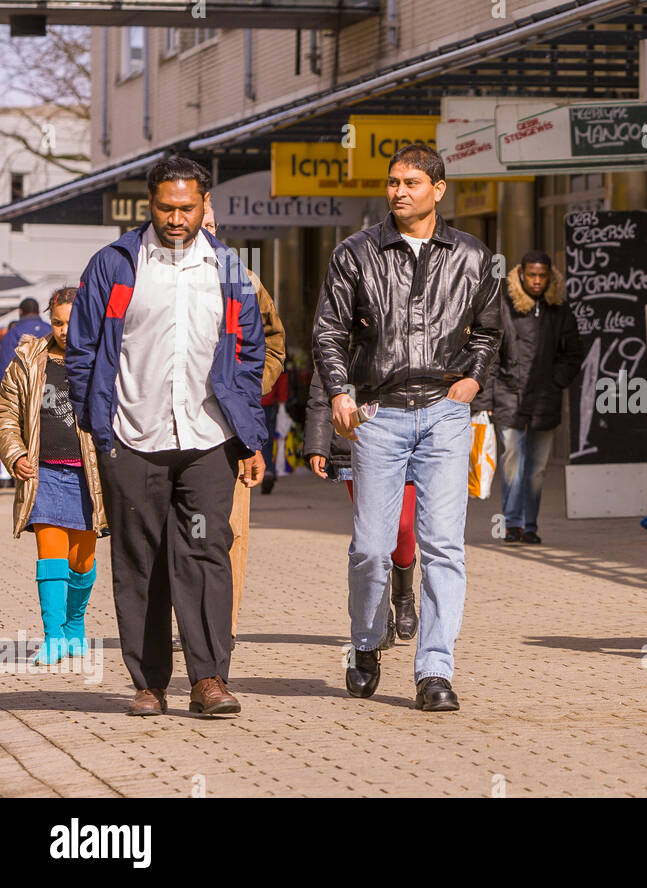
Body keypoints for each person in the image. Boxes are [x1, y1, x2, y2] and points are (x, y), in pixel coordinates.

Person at [67, 155, 267, 717]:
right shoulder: (114, 264)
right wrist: (95, 420)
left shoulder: (229, 266)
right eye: (165, 207)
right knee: (141, 558)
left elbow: (248, 353)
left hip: (207, 439)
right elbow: (82, 348)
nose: (176, 218)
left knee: (205, 550)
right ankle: (149, 682)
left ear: (205, 204)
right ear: (149, 204)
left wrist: (248, 435)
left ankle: (208, 680)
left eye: (187, 207)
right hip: (133, 436)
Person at [313, 143, 502, 712]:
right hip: (378, 414)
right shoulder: (356, 253)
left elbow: (489, 330)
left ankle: (435, 671)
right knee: (371, 548)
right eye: (393, 182)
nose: (399, 191)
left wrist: (471, 380)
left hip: (445, 413)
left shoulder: (474, 256)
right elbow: (328, 331)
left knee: (443, 547)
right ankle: (367, 642)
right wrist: (341, 393)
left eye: (412, 182)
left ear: (438, 190)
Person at [0, 288, 107, 665]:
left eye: (71, 322)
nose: (64, 330)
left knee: (82, 559)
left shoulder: (103, 359)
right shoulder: (28, 359)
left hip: (88, 479)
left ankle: (75, 622)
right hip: (42, 474)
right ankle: (53, 636)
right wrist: (15, 455)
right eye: (57, 322)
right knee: (51, 556)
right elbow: (7, 413)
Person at [200, 207, 286, 646]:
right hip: (163, 429)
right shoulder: (144, 276)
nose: (200, 229)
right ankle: (181, 621)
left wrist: (245, 390)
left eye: (209, 223)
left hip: (230, 428)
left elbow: (274, 344)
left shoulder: (245, 280)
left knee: (229, 530)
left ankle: (222, 627)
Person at [304, 373, 417, 646]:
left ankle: (403, 594)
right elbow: (323, 386)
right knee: (373, 537)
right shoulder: (340, 332)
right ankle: (379, 618)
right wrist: (317, 444)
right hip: (355, 442)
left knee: (402, 526)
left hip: (406, 438)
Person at [493, 250, 581, 545]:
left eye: (542, 275)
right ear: (520, 274)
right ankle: (512, 524)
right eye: (531, 274)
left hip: (545, 398)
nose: (536, 281)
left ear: (549, 277)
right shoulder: (504, 307)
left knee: (538, 468)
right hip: (510, 396)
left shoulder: (559, 309)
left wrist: (556, 381)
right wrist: (486, 400)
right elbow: (491, 353)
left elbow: (573, 353)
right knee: (513, 461)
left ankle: (531, 525)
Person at [0, 297, 52, 374]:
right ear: (38, 311)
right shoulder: (51, 329)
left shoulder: (12, 334)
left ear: (20, 312)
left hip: (23, 382)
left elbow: (6, 367)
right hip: (51, 382)